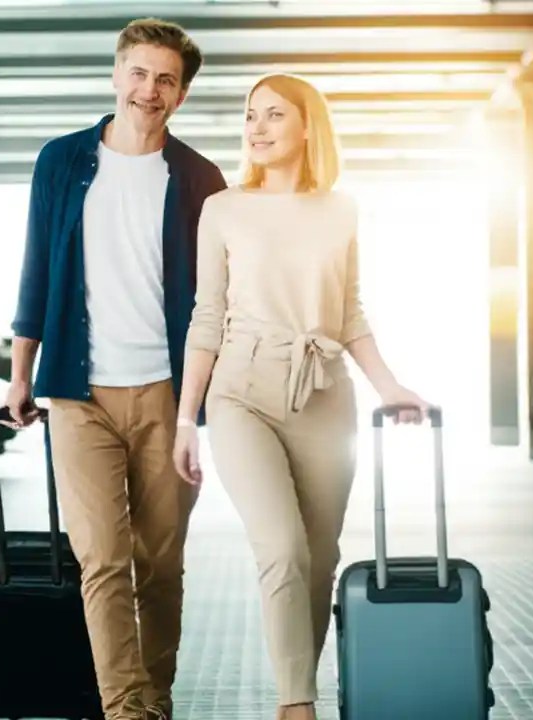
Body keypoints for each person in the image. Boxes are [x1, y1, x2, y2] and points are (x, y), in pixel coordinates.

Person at [171, 73, 432, 720]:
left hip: (325, 393)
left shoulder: (340, 209)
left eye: (274, 116)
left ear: (308, 126)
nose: (256, 128)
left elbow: (348, 313)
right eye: (251, 116)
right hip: (242, 391)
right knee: (281, 548)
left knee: (320, 561)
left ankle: (299, 683)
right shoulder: (225, 208)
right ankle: (297, 706)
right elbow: (207, 317)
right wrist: (186, 418)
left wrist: (389, 385)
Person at [3, 16, 227, 720]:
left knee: (160, 567)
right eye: (139, 73)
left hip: (167, 398)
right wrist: (20, 372)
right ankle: (127, 709)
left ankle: (154, 698)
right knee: (102, 560)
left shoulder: (200, 179)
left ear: (181, 94)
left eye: (166, 79)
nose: (149, 90)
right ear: (115, 75)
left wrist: (202, 404)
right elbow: (37, 268)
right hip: (78, 394)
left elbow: (217, 298)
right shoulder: (62, 161)